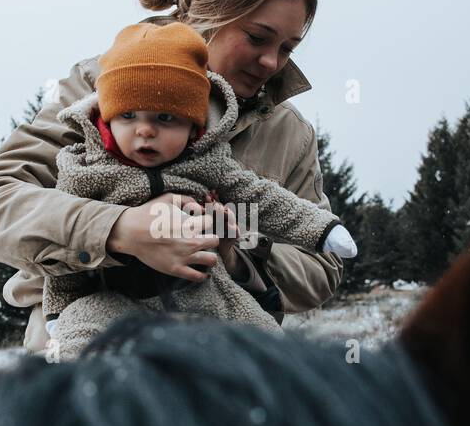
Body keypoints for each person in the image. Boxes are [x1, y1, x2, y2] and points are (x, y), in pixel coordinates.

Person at [0, 0, 346, 353]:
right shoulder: (98, 86)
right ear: (209, 13)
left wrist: (234, 256)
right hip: (87, 361)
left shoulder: (290, 133)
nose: (271, 62)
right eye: (256, 37)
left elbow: (321, 267)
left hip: (225, 368)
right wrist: (122, 230)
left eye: (287, 48)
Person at [41, 21, 356, 360]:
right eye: (128, 115)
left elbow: (264, 198)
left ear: (193, 125)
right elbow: (64, 247)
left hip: (205, 293)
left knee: (267, 346)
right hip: (113, 298)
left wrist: (322, 229)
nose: (144, 131)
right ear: (106, 118)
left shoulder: (210, 164)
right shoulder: (85, 171)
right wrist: (60, 310)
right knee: (78, 340)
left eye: (165, 118)